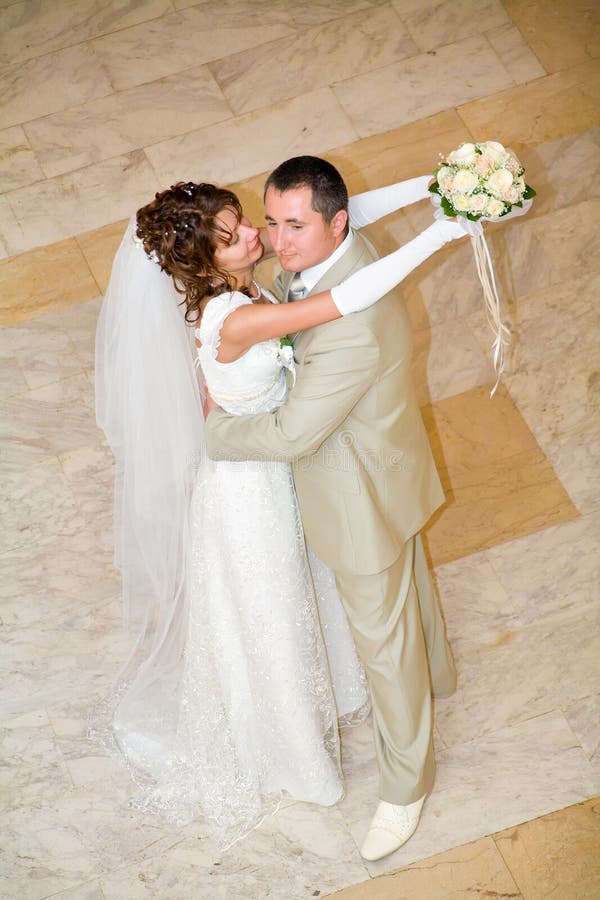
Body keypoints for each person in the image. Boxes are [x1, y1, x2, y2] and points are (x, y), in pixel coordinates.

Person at [95, 173, 470, 850]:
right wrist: (446, 230)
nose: (260, 237)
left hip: (292, 466)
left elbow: (329, 216)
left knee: (338, 594)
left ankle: (425, 685)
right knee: (269, 613)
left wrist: (440, 184)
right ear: (209, 258)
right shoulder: (238, 316)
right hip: (248, 481)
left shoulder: (238, 278)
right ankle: (293, 745)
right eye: (237, 235)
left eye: (249, 222)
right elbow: (346, 296)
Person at [204, 156, 460, 860]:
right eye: (270, 221)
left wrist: (215, 432)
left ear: (335, 222)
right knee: (408, 582)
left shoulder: (350, 325)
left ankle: (407, 786)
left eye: (295, 227)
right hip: (389, 462)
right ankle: (440, 673)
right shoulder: (344, 250)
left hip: (355, 496)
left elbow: (292, 435)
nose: (277, 244)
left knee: (383, 644)